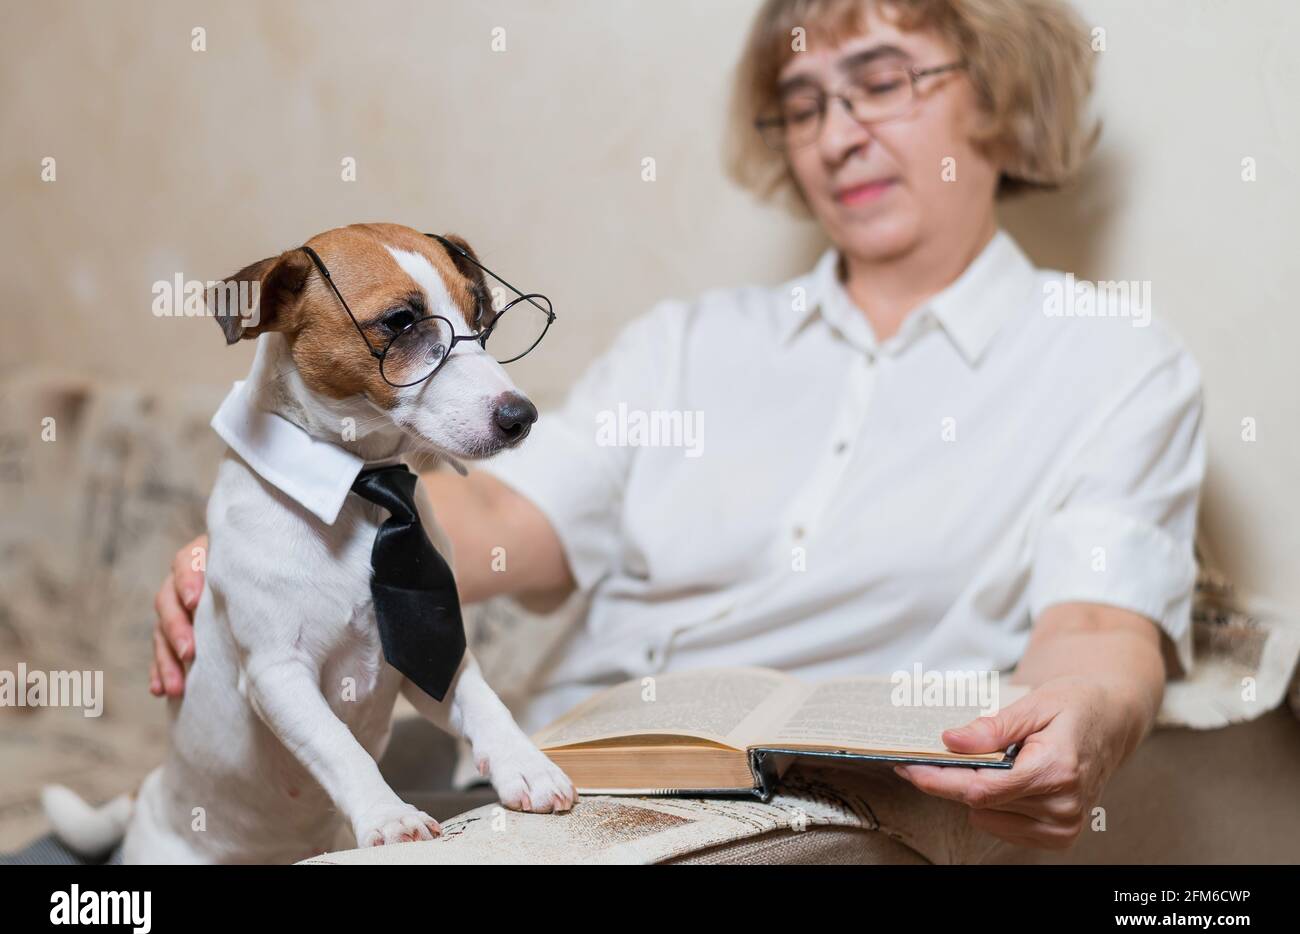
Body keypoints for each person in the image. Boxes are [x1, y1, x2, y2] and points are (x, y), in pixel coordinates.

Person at [151, 0, 1204, 859]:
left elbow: (1101, 633)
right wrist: (253, 555)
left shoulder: (1111, 361)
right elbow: (503, 520)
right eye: (801, 103)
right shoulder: (689, 343)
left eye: (881, 81)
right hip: (547, 778)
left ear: (1002, 87)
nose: (836, 136)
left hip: (795, 829)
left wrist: (1084, 726)